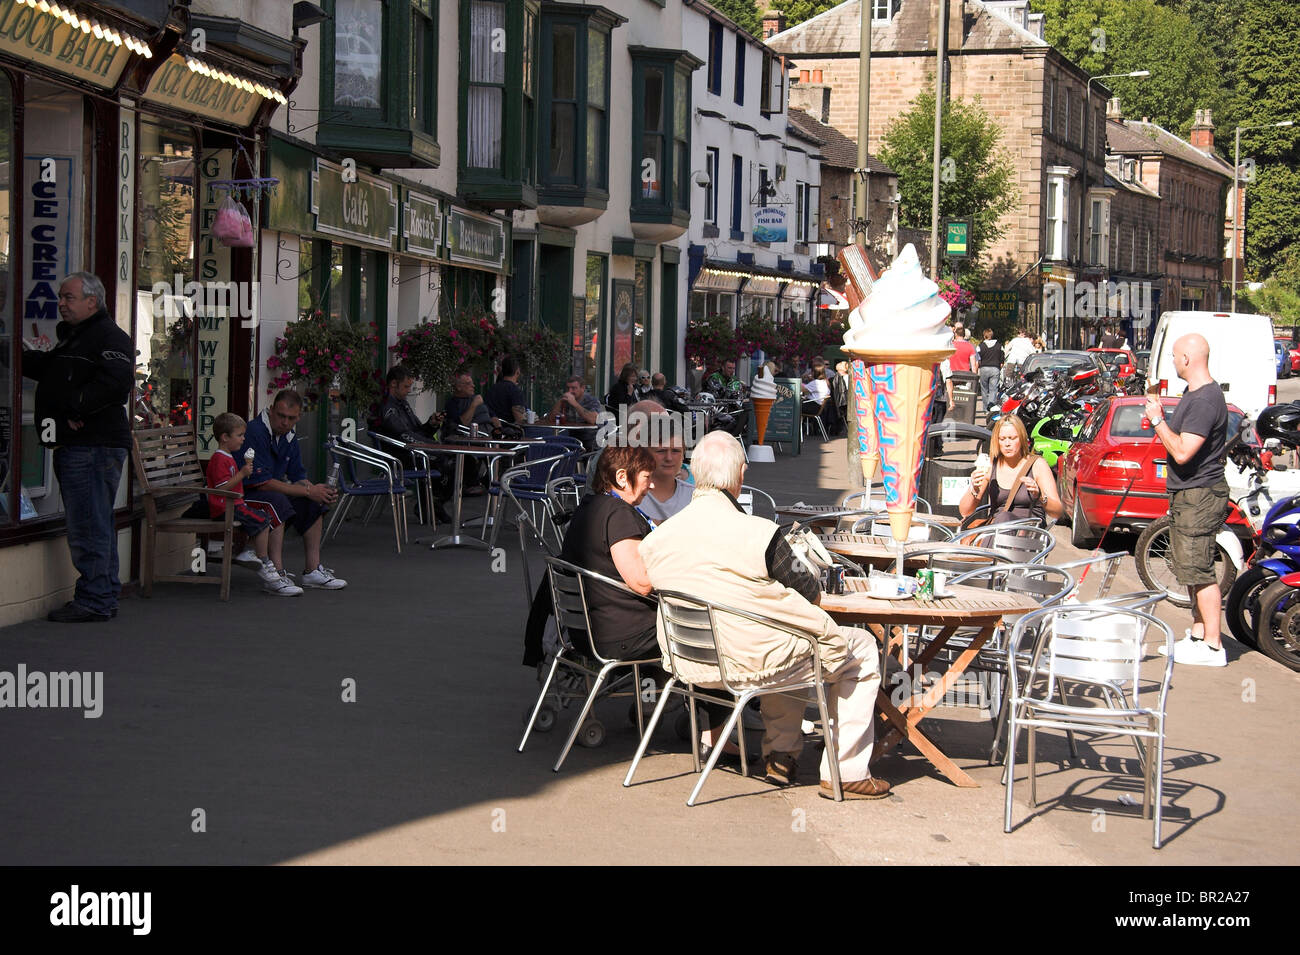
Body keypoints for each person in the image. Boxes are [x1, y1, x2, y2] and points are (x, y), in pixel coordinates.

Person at [639, 431, 891, 800]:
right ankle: (847, 769)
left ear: (693, 473)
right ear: (741, 474)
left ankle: (782, 756)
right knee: (860, 647)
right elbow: (810, 592)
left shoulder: (659, 537)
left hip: (690, 661)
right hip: (752, 658)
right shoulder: (761, 534)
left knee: (783, 642)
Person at [22, 272, 133, 622]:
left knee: (88, 523)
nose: (62, 303)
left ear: (92, 301)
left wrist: (75, 407)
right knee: (96, 520)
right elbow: (54, 373)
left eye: (69, 297)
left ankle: (95, 599)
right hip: (84, 444)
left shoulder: (106, 336)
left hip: (93, 446)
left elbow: (116, 384)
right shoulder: (75, 338)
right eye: (61, 297)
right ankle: (102, 592)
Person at [1144, 333, 1229, 667]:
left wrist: (1157, 420)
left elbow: (1181, 451)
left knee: (1200, 569)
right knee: (1188, 568)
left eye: (1176, 356)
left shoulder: (1206, 400)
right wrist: (1156, 407)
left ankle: (1213, 645)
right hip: (1187, 493)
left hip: (1200, 493)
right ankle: (1197, 634)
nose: (1174, 361)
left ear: (1188, 359)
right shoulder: (1192, 394)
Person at [241, 390, 348, 590]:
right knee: (278, 502)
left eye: (291, 418)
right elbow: (261, 482)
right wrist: (308, 491)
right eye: (281, 416)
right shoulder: (255, 431)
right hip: (243, 494)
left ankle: (312, 570)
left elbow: (298, 476)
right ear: (271, 411)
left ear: (298, 417)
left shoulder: (289, 436)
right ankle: (276, 574)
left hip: (268, 492)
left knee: (313, 501)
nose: (285, 422)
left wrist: (316, 490)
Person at [206, 413, 302, 596]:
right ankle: (261, 559)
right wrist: (241, 475)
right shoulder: (219, 459)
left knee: (265, 518)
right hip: (225, 507)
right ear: (225, 437)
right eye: (240, 435)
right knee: (263, 521)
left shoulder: (229, 456)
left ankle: (256, 556)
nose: (243, 439)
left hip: (235, 504)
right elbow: (221, 488)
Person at [376, 366, 453, 523]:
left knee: (452, 461)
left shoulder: (402, 404)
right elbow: (404, 436)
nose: (408, 390)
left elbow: (417, 432)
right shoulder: (388, 407)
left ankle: (433, 504)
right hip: (398, 456)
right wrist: (433, 447)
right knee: (444, 461)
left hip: (410, 451)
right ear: (393, 384)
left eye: (410, 386)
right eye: (405, 386)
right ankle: (431, 505)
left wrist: (431, 424)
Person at [959, 413, 1063, 526]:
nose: (1007, 444)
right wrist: (973, 488)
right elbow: (965, 511)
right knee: (1003, 518)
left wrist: (1040, 495)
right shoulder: (991, 465)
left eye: (1012, 438)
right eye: (1002, 439)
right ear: (996, 441)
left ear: (1022, 438)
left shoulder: (1037, 464)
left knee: (1004, 517)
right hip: (997, 529)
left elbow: (1057, 512)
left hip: (1029, 532)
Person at [639, 419, 694, 524]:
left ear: (683, 453)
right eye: (661, 451)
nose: (669, 458)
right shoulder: (631, 496)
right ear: (644, 453)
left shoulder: (694, 497)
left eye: (675, 451)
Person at [443, 372, 501, 438]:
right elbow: (462, 424)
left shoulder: (476, 398)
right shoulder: (452, 403)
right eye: (468, 383)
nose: (473, 386)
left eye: (472, 383)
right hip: (474, 438)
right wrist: (474, 404)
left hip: (491, 434)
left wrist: (498, 429)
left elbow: (493, 416)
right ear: (458, 387)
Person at [483, 356, 528, 425]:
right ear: (517, 372)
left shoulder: (491, 389)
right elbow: (520, 420)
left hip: (490, 431)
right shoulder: (515, 391)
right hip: (509, 432)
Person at [976, 328, 1004, 421]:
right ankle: (991, 408)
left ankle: (985, 409)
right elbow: (1002, 360)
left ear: (984, 336)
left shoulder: (980, 346)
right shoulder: (999, 346)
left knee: (984, 389)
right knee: (993, 389)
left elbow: (978, 359)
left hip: (984, 368)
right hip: (995, 368)